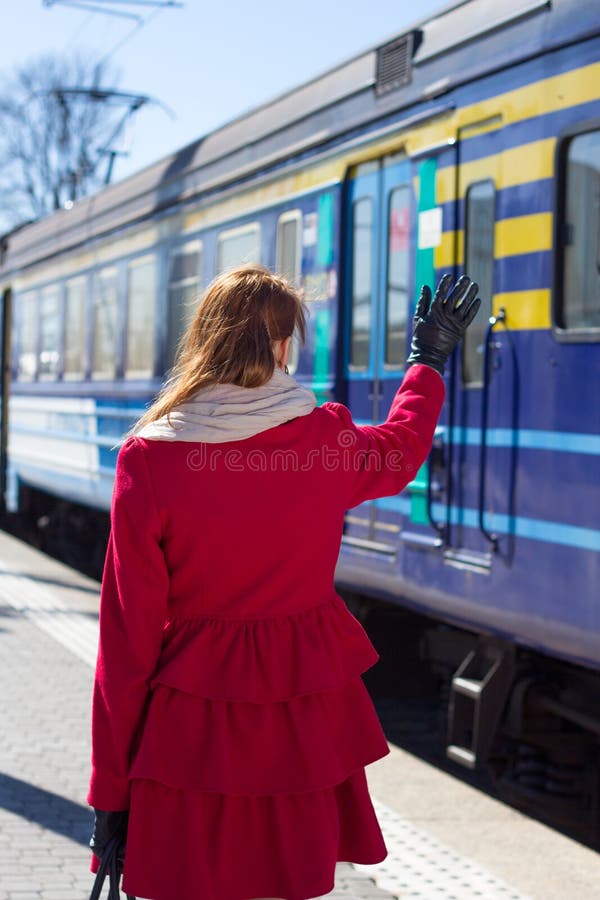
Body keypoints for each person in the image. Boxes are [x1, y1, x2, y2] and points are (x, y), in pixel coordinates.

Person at [87, 265, 480, 900]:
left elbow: (125, 646)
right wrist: (426, 359)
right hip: (299, 734)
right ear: (280, 346)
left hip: (186, 743)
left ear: (206, 341)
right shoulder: (323, 440)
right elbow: (402, 448)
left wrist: (109, 792)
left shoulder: (150, 458)